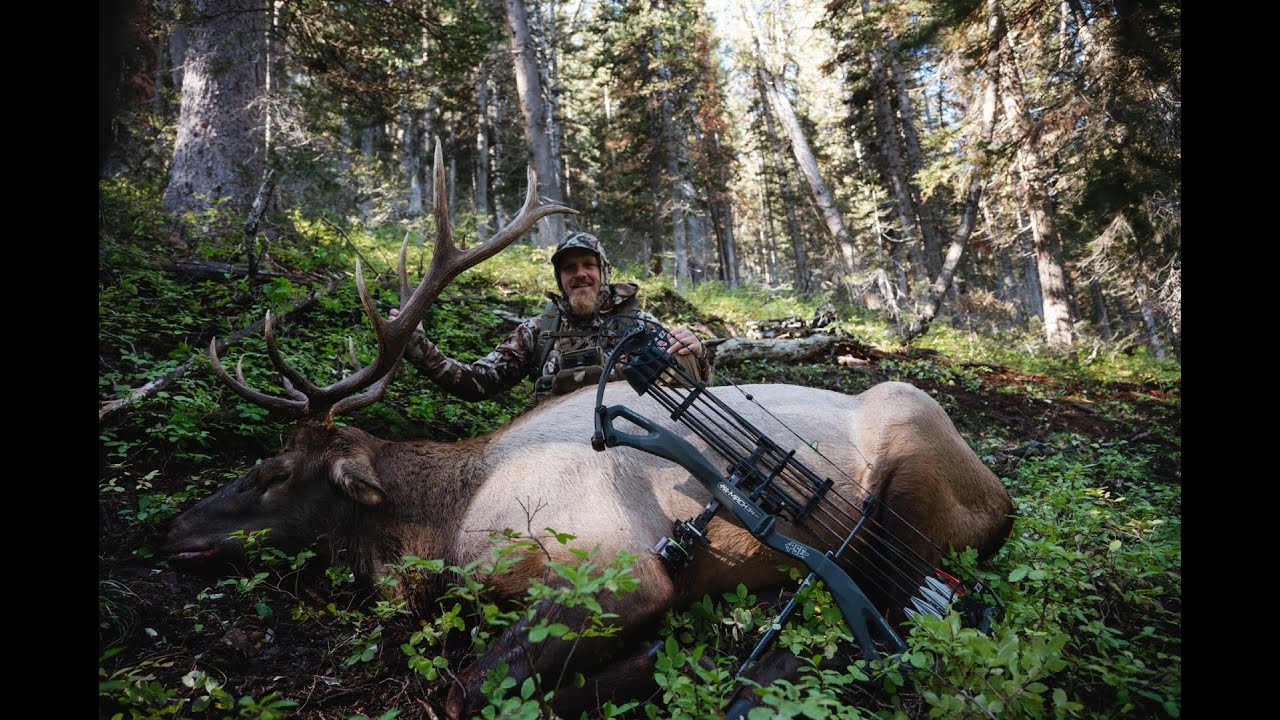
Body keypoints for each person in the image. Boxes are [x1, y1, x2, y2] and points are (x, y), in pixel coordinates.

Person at [393, 231, 711, 403]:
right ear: (560, 278)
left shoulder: (640, 325)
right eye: (569, 268)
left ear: (604, 271)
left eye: (588, 264)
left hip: (633, 460)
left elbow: (688, 391)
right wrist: (420, 347)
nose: (580, 274)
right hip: (557, 463)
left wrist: (696, 354)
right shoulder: (537, 332)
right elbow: (478, 383)